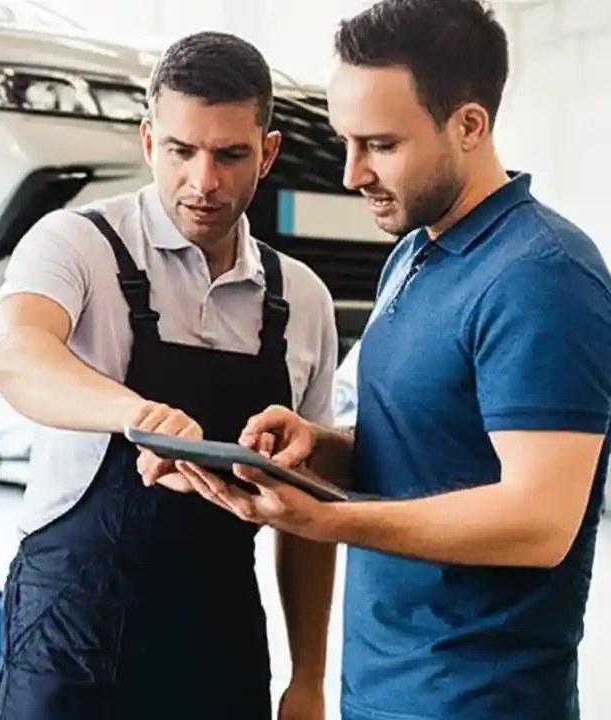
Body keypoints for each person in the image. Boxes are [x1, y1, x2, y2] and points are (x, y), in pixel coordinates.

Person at [175, 2, 611, 719]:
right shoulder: (414, 254)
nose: (351, 174)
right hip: (381, 687)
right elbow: (424, 448)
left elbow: (541, 521)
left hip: (478, 701)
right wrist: (320, 450)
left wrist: (329, 521)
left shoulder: (543, 275)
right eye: (346, 142)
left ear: (469, 126)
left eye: (379, 144)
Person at [0, 31, 340, 720]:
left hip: (220, 640)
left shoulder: (302, 299)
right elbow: (16, 355)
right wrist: (136, 414)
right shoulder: (75, 243)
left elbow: (309, 498)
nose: (203, 182)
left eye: (230, 155)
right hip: (71, 636)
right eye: (181, 151)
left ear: (267, 153)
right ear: (149, 141)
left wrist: (310, 676)